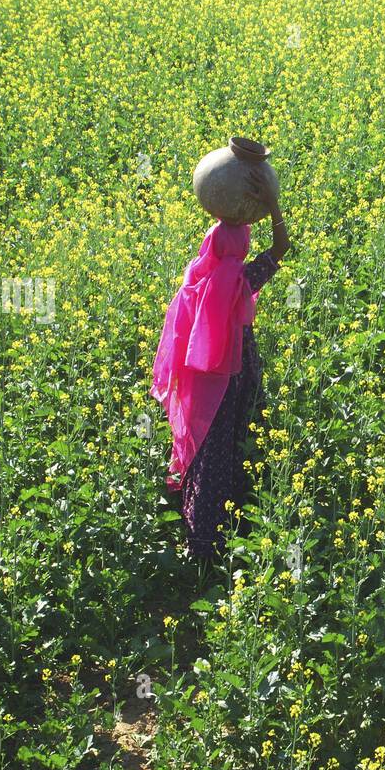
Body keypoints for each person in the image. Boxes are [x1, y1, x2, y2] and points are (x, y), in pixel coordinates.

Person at [150, 165, 290, 558]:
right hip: (233, 374)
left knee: (205, 445)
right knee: (230, 445)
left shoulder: (198, 277)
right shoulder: (241, 279)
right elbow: (280, 248)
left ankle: (199, 532)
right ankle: (222, 533)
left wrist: (227, 205)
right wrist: (272, 205)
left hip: (202, 380)